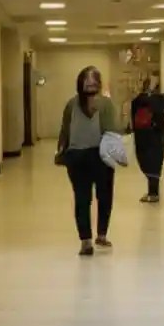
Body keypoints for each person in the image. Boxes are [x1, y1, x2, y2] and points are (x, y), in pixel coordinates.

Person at [57, 66, 118, 256]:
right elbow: (65, 129)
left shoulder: (105, 104)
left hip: (100, 155)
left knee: (101, 196)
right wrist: (62, 150)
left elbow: (112, 129)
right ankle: (87, 239)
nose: (91, 85)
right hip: (79, 156)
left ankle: (99, 235)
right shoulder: (73, 104)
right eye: (87, 81)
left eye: (93, 81)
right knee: (84, 198)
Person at [131, 78, 164, 203]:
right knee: (152, 164)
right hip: (154, 135)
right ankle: (152, 191)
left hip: (150, 135)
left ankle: (153, 192)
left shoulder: (144, 100)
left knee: (151, 164)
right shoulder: (160, 100)